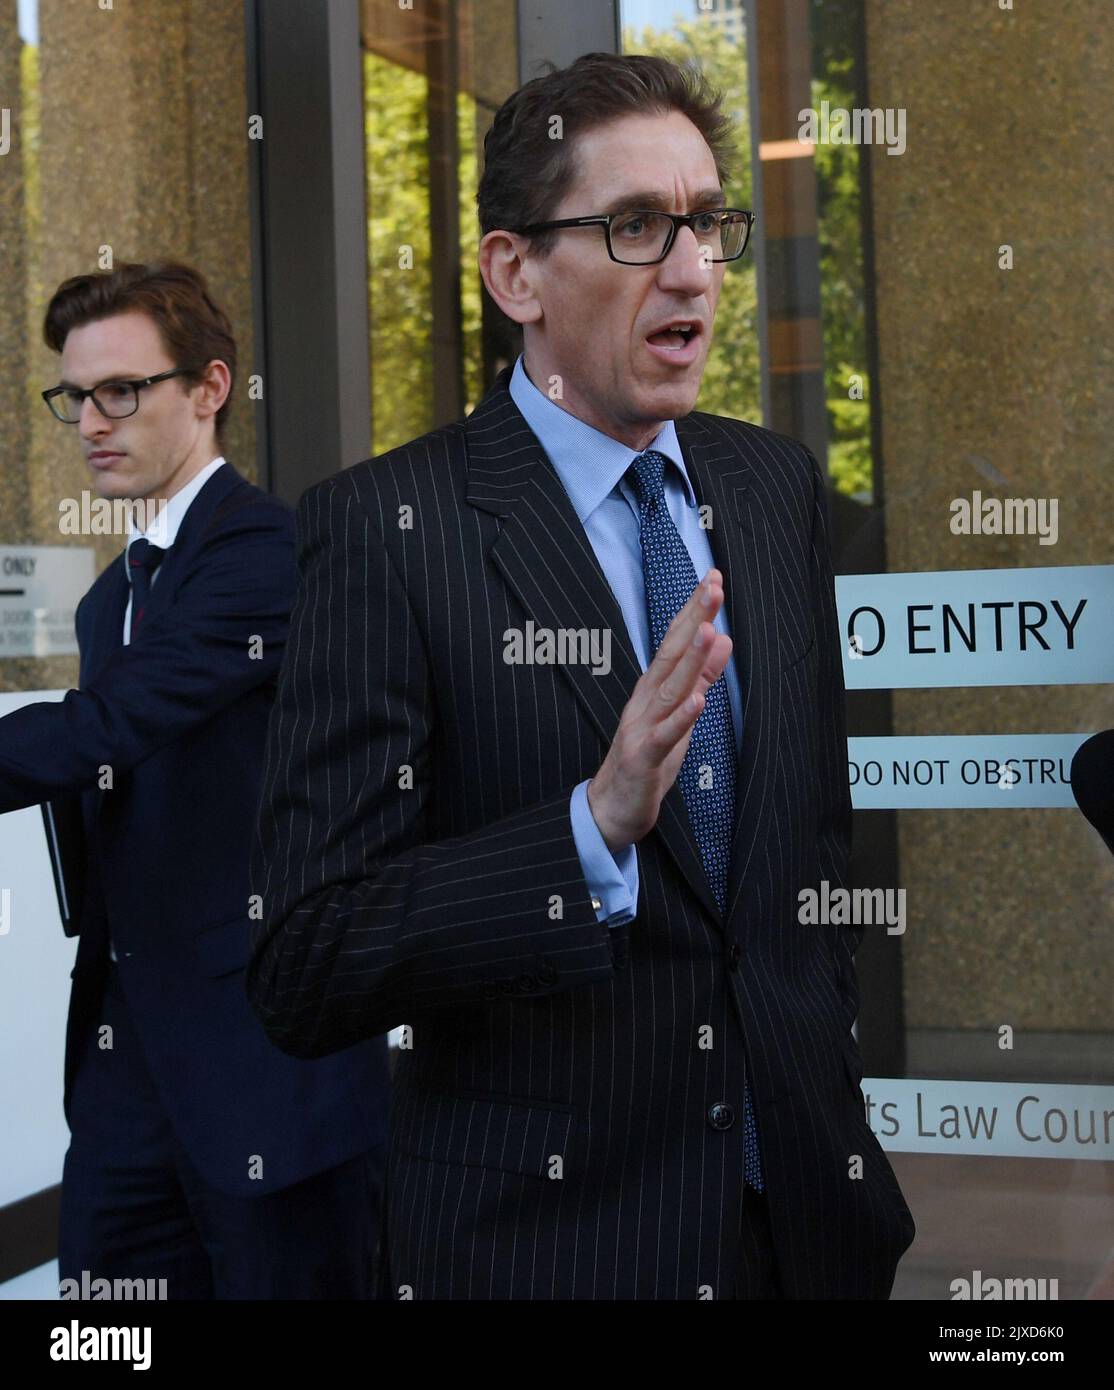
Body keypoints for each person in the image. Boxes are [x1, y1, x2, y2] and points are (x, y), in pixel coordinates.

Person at [248, 52, 915, 1299]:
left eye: (709, 224)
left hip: (812, 1233)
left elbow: (807, 857)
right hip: (554, 1252)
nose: (691, 269)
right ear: (515, 274)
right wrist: (588, 829)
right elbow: (305, 957)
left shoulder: (771, 490)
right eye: (634, 226)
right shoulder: (388, 528)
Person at [0, 262, 388, 1298]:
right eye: (75, 397)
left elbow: (111, 725)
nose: (91, 420)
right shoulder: (104, 604)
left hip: (268, 1066)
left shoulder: (267, 551)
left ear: (210, 389)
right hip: (129, 1071)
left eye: (122, 390)